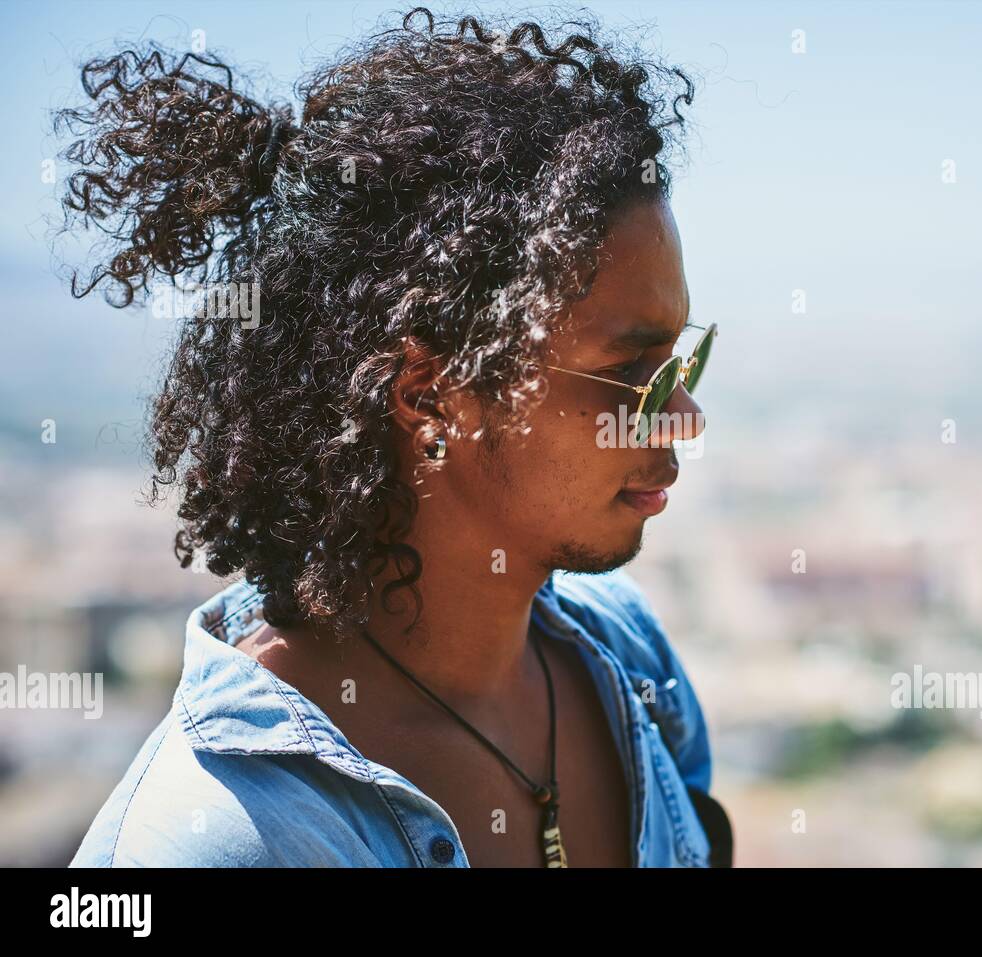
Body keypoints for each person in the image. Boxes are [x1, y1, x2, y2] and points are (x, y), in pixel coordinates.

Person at [59, 7, 731, 868]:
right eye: (634, 369)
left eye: (686, 359)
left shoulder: (630, 662)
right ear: (429, 396)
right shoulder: (213, 841)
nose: (685, 417)